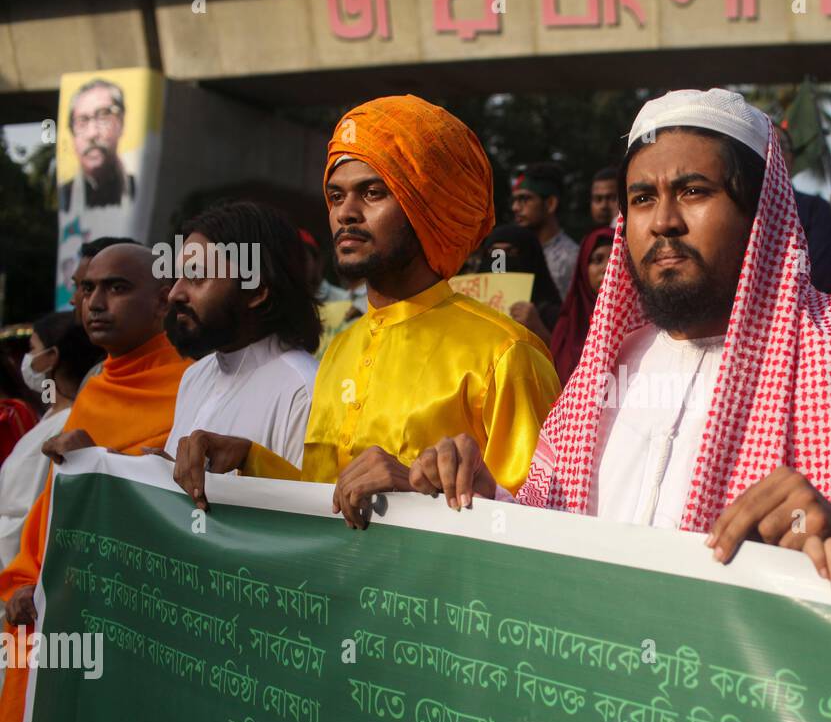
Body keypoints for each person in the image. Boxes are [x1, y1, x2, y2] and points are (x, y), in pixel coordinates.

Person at [406, 89, 831, 601]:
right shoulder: (606, 371)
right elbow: (550, 538)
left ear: (759, 215)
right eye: (642, 198)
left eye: (694, 191)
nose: (664, 222)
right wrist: (480, 503)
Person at [171, 96, 560, 528]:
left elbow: (548, 523)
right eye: (335, 196)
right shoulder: (339, 348)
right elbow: (328, 503)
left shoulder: (506, 352)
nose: (345, 213)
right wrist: (250, 459)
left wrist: (416, 491)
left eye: (373, 192)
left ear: (426, 206)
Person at [0, 242, 190, 722]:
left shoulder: (189, 386)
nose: (95, 303)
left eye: (117, 288)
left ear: (162, 301)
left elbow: (181, 518)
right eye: (87, 290)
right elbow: (52, 518)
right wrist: (25, 582)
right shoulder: (97, 390)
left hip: (132, 637)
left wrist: (105, 463)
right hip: (48, 622)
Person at [161, 201, 321, 468]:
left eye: (197, 277)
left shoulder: (304, 391)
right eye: (178, 276)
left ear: (257, 291)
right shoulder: (195, 376)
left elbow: (304, 505)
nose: (174, 293)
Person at [0, 312, 101, 565]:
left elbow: (22, 517)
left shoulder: (64, 426)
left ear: (50, 358)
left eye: (32, 349)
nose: (26, 359)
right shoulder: (50, 418)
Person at [775, 123, 831, 294]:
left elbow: (819, 278)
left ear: (791, 158)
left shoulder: (815, 211)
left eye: (779, 145)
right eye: (764, 144)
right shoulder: (734, 209)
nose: (771, 152)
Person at [57, 78, 135, 215]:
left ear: (121, 123)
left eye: (103, 116)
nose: (92, 133)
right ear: (72, 132)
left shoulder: (142, 189)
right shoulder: (62, 199)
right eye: (82, 121)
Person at [549, 227, 614, 385]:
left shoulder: (641, 322)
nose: (607, 268)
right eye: (598, 260)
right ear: (583, 269)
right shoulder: (566, 327)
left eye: (614, 260)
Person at [481, 224, 562, 341]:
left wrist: (537, 327)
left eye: (511, 253)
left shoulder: (553, 314)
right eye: (495, 254)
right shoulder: (471, 302)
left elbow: (565, 356)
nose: (502, 262)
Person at [511, 161, 579, 298]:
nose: (515, 207)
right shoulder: (511, 252)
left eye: (524, 199)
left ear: (550, 204)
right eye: (514, 200)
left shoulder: (571, 258)